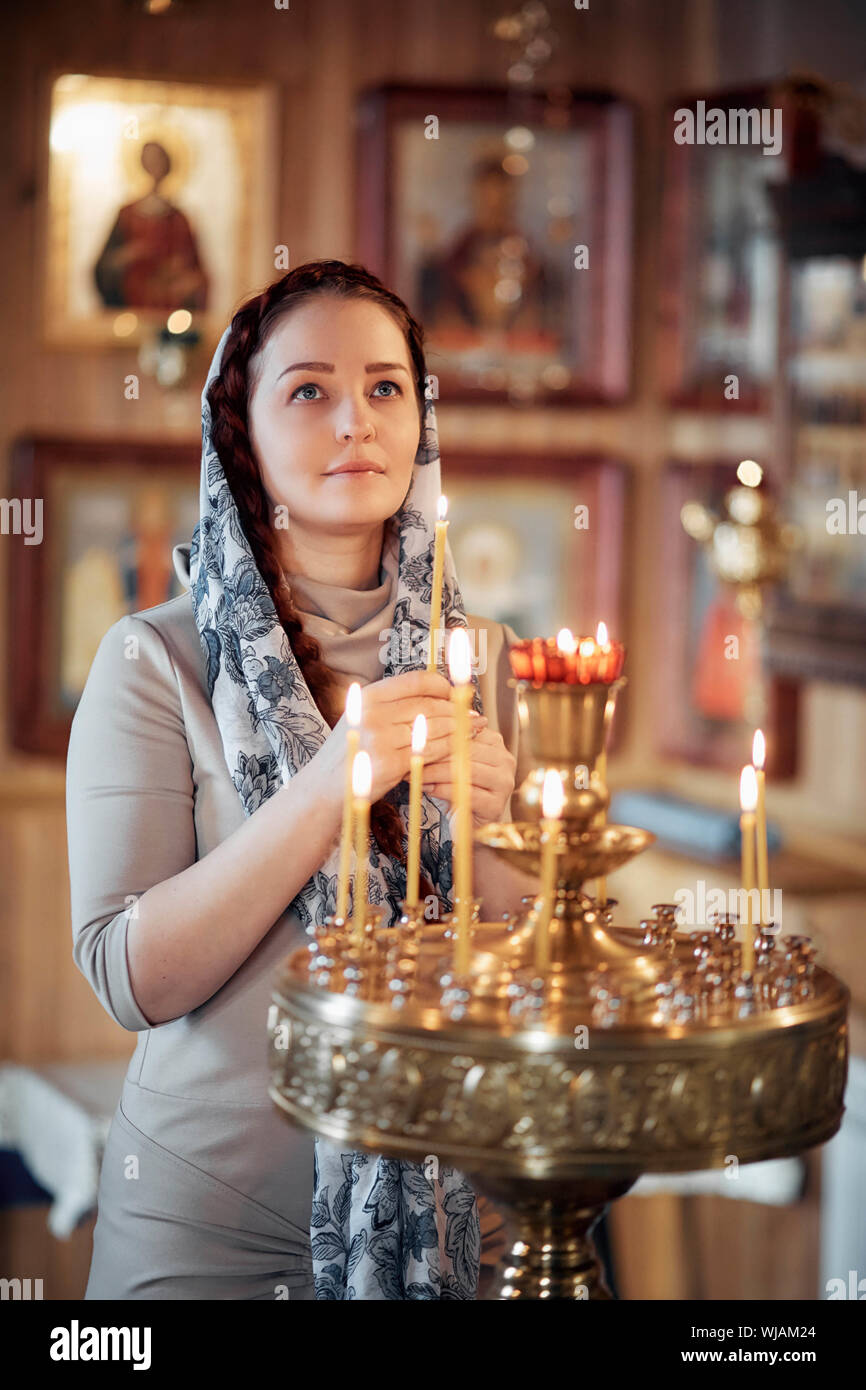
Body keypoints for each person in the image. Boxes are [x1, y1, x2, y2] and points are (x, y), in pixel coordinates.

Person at [66, 258, 537, 1300]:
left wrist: (497, 850)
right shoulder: (153, 659)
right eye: (309, 390)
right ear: (240, 429)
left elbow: (532, 961)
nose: (354, 421)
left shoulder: (483, 658)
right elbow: (129, 977)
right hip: (205, 1231)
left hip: (464, 1209)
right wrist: (331, 786)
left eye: (384, 388)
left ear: (421, 419)